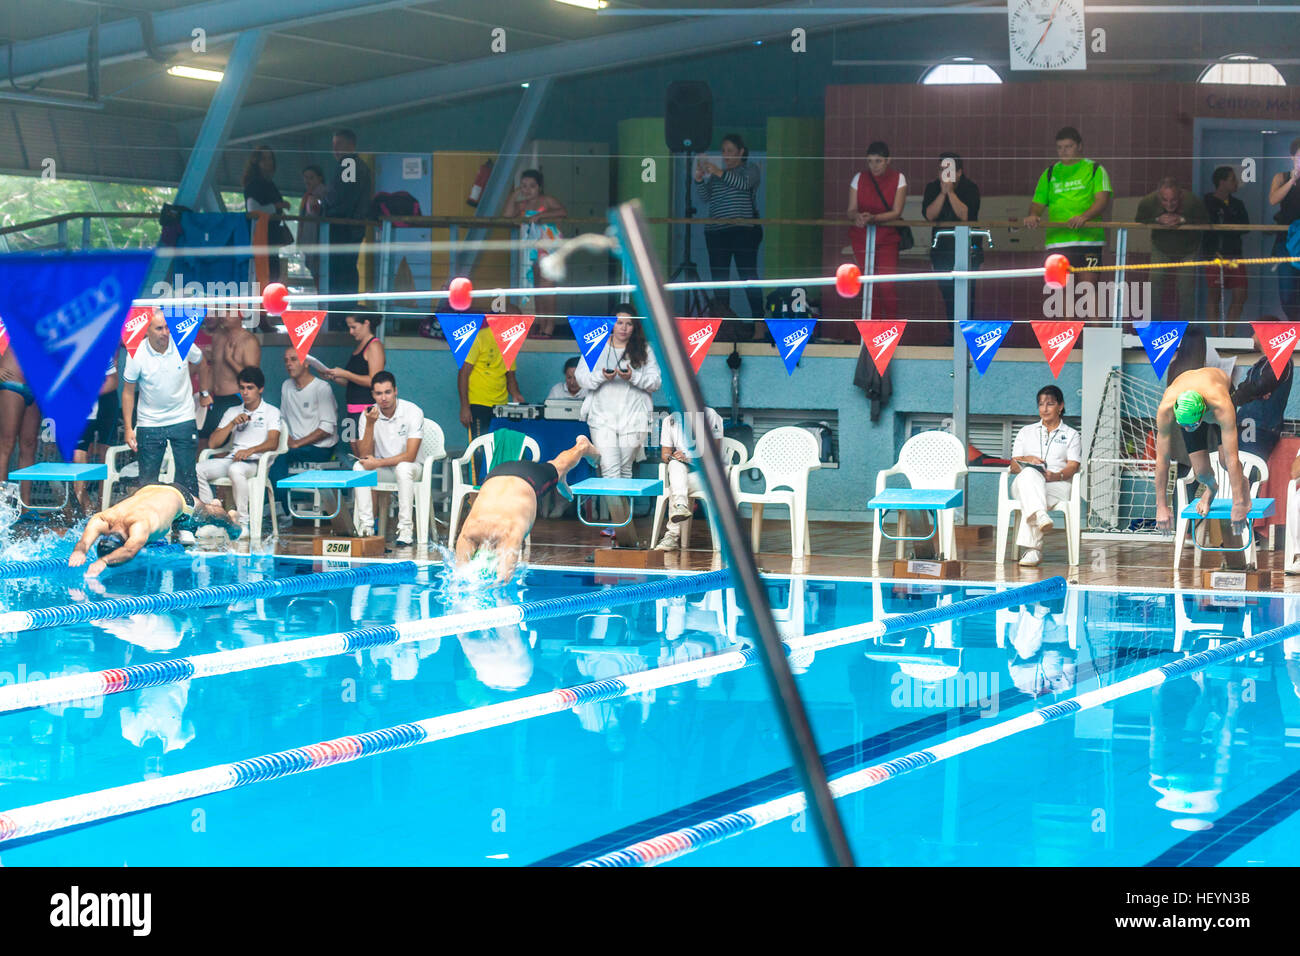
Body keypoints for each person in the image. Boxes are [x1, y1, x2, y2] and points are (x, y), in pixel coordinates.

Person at [454, 435, 598, 584]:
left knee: (560, 465)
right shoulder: (470, 533)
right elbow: (460, 574)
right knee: (556, 469)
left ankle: (582, 446)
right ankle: (559, 479)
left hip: (529, 478)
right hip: (496, 474)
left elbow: (503, 579)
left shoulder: (507, 534)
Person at [574, 308, 662, 538]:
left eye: (629, 324)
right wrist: (602, 376)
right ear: (611, 324)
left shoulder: (644, 350)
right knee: (610, 469)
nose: (623, 328)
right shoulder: (597, 345)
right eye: (619, 323)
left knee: (624, 470)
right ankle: (623, 527)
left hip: (634, 418)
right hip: (602, 417)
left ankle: (621, 525)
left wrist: (633, 376)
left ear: (635, 327)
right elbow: (581, 378)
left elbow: (655, 382)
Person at [1154, 367, 1250, 548]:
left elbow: (1232, 458)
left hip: (1219, 391)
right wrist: (1161, 506)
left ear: (1203, 414)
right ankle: (1211, 489)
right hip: (1190, 402)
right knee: (1202, 473)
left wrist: (1237, 503)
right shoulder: (1166, 408)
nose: (1187, 430)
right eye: (1184, 426)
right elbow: (1162, 460)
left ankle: (1243, 483)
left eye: (1192, 426)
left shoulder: (1222, 406)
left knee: (1224, 462)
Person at [121, 311, 208, 503]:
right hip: (149, 422)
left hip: (183, 418)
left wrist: (204, 392)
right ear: (147, 331)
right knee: (148, 482)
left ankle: (186, 529)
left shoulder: (182, 342)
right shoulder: (136, 353)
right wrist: (128, 428)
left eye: (168, 327)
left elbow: (202, 362)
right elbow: (128, 392)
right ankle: (152, 529)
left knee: (187, 477)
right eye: (159, 328)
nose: (165, 332)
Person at [68, 483, 241, 578]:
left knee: (207, 515)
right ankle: (215, 507)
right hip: (150, 489)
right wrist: (79, 551)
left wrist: (104, 561)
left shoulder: (139, 525)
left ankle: (230, 521)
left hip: (178, 497)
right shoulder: (103, 519)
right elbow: (84, 542)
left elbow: (129, 551)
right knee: (197, 519)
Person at [1024, 126, 1113, 296]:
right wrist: (1033, 215)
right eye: (1060, 147)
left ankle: (1095, 324)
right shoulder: (1050, 173)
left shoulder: (1095, 169)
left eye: (1068, 146)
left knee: (1089, 290)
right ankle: (1068, 324)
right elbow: (1038, 203)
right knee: (1062, 292)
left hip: (1088, 241)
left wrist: (1084, 217)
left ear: (1080, 146)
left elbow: (1102, 200)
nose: (1063, 151)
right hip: (1058, 241)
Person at [196, 366, 282, 535]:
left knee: (235, 469)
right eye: (242, 387)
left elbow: (273, 442)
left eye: (250, 388)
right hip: (233, 458)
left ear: (260, 389)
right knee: (199, 468)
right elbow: (213, 443)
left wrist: (250, 450)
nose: (245, 392)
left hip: (255, 462)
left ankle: (243, 523)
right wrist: (232, 424)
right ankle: (211, 517)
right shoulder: (233, 411)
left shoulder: (271, 411)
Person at [695, 133, 764, 331]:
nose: (726, 155)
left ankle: (759, 324)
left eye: (730, 151)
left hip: (743, 232)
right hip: (717, 233)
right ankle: (724, 323)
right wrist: (699, 180)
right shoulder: (719, 176)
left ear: (741, 152)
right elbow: (705, 197)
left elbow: (743, 184)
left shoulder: (750, 170)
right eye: (724, 151)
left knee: (748, 276)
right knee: (720, 279)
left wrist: (718, 171)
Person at [1007, 386, 1082, 568]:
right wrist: (1028, 460)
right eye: (1041, 404)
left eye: (1050, 404)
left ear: (1061, 406)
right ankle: (1040, 515)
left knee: (1032, 496)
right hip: (1024, 483)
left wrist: (1056, 475)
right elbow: (1014, 465)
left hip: (1057, 484)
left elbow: (1073, 465)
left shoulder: (1071, 434)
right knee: (1030, 474)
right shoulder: (1026, 431)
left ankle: (1033, 549)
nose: (1045, 409)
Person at [352, 371, 424, 547]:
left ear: (396, 391)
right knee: (358, 467)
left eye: (387, 392)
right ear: (373, 395)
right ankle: (366, 528)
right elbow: (364, 455)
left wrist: (378, 462)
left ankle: (406, 530)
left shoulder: (413, 411)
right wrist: (370, 424)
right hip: (384, 470)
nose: (383, 398)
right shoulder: (368, 415)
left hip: (412, 469)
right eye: (378, 393)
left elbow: (410, 455)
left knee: (403, 468)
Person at [847, 141, 907, 342]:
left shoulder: (899, 179)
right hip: (862, 236)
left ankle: (890, 331)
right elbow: (850, 209)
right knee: (869, 284)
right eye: (870, 161)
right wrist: (858, 217)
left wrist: (873, 218)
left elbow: (897, 212)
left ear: (888, 160)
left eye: (879, 161)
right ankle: (872, 331)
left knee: (887, 284)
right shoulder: (859, 178)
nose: (874, 166)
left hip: (888, 237)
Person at [270, 348, 339, 516]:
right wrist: (288, 439)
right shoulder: (286, 386)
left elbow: (327, 428)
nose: (288, 364)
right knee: (269, 454)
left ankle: (282, 512)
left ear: (307, 363)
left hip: (320, 449)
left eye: (294, 359)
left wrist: (297, 443)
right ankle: (274, 508)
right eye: (286, 360)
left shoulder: (322, 388)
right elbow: (283, 419)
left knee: (278, 458)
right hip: (295, 446)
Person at [1135, 177, 1209, 324]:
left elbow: (1206, 221)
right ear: (1158, 196)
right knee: (1154, 284)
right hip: (1161, 247)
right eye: (1164, 200)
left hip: (1188, 249)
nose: (1169, 204)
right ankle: (1154, 326)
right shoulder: (1148, 201)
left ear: (1180, 195)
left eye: (1173, 200)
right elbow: (1140, 218)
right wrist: (1157, 219)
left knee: (1186, 288)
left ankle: (1186, 330)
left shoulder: (1192, 202)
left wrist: (1182, 220)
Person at [504, 169, 566, 338]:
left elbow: (562, 211)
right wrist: (516, 193)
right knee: (538, 286)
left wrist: (541, 215)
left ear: (539, 187)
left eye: (532, 186)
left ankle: (549, 327)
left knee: (548, 287)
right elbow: (508, 215)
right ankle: (540, 325)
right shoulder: (522, 204)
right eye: (524, 186)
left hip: (549, 246)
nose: (527, 189)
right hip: (533, 248)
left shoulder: (546, 200)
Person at [922, 151, 982, 324]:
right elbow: (929, 215)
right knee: (947, 293)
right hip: (941, 250)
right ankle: (952, 334)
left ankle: (965, 335)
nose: (945, 174)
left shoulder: (970, 188)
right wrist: (942, 193)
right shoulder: (932, 188)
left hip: (968, 249)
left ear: (959, 172)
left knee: (966, 293)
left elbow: (965, 215)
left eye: (949, 170)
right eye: (942, 170)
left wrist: (951, 193)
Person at [653, 406, 725, 552]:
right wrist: (674, 457)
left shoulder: (710, 415)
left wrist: (689, 458)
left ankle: (672, 535)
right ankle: (680, 505)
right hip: (684, 473)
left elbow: (715, 454)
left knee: (676, 486)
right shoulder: (670, 420)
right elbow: (665, 454)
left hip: (710, 475)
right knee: (674, 465)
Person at [320, 128, 373, 319]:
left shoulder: (349, 163)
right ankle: (344, 313)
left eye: (339, 146)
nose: (335, 151)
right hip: (353, 228)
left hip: (342, 227)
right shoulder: (360, 166)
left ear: (351, 145)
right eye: (333, 147)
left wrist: (323, 199)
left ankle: (339, 316)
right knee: (348, 270)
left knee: (340, 272)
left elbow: (342, 196)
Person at [458, 328, 524, 481]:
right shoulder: (480, 338)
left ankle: (494, 492)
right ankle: (475, 496)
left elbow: (510, 376)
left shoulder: (510, 342)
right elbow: (463, 373)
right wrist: (465, 407)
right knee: (479, 451)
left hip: (501, 407)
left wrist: (516, 395)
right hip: (478, 404)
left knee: (498, 451)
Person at [199, 310, 260, 449]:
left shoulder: (248, 341)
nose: (222, 315)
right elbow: (213, 369)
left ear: (240, 315)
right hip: (215, 398)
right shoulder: (218, 337)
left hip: (236, 398)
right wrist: (204, 393)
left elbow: (253, 379)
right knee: (202, 439)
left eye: (228, 312)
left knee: (222, 444)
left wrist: (230, 360)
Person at [326, 313, 385, 452]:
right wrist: (334, 376)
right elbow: (352, 382)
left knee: (365, 454)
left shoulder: (374, 346)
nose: (351, 332)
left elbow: (375, 382)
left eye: (353, 327)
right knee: (354, 450)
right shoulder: (360, 347)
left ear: (366, 323)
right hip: (352, 410)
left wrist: (345, 373)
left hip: (366, 411)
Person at [1203, 166, 1250, 336]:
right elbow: (1205, 229)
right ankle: (1215, 335)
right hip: (1215, 255)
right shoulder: (1207, 202)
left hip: (1235, 254)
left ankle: (1229, 334)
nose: (1236, 183)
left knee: (1240, 294)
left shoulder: (1238, 204)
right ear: (1221, 182)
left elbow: (1245, 226)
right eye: (1232, 179)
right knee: (1214, 294)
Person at [73, 354, 121, 514]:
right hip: (81, 408)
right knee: (78, 453)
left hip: (106, 402)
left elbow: (113, 381)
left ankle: (102, 506)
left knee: (105, 454)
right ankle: (84, 505)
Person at [242, 144, 292, 285]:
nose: (268, 162)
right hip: (262, 236)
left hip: (271, 237)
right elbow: (253, 210)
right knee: (266, 274)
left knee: (272, 273)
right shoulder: (253, 185)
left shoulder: (269, 184)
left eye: (270, 159)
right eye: (264, 159)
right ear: (256, 162)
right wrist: (276, 207)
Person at [0, 347, 41, 506]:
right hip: (12, 380)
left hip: (37, 388)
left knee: (29, 445)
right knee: (6, 443)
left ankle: (25, 506)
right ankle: (2, 507)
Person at [1267, 136, 1300, 323]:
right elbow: (1273, 200)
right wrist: (1292, 180)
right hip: (1286, 242)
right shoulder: (1281, 177)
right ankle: (1295, 327)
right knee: (1288, 293)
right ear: (1292, 157)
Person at [298, 164, 327, 288]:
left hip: (317, 242)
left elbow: (316, 210)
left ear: (319, 179)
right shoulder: (308, 196)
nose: (307, 181)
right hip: (310, 240)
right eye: (305, 177)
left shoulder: (323, 194)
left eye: (311, 177)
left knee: (320, 275)